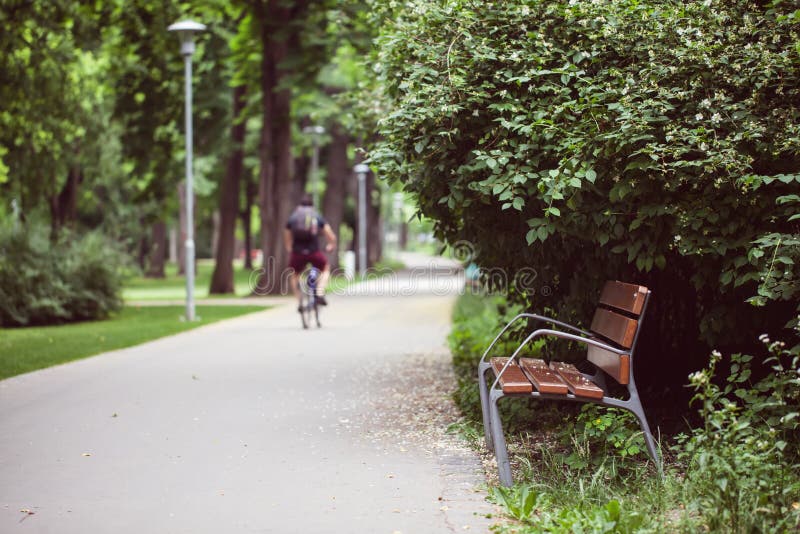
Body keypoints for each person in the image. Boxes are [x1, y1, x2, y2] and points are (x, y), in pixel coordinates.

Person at [284, 194, 337, 307]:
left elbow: (287, 235)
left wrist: (289, 248)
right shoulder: (316, 216)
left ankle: (299, 301)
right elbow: (330, 235)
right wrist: (331, 244)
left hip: (297, 252)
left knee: (294, 274)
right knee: (325, 268)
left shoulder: (293, 217)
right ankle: (319, 292)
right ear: (312, 206)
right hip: (313, 252)